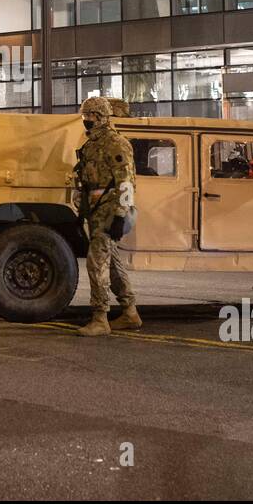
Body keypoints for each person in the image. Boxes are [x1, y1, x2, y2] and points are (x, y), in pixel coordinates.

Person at [75, 96, 141, 336]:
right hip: (97, 210)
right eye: (85, 116)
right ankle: (129, 312)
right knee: (111, 263)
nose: (86, 121)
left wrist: (122, 214)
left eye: (89, 116)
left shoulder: (116, 143)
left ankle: (100, 317)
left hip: (110, 210)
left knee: (96, 263)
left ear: (100, 117)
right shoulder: (92, 143)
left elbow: (126, 180)